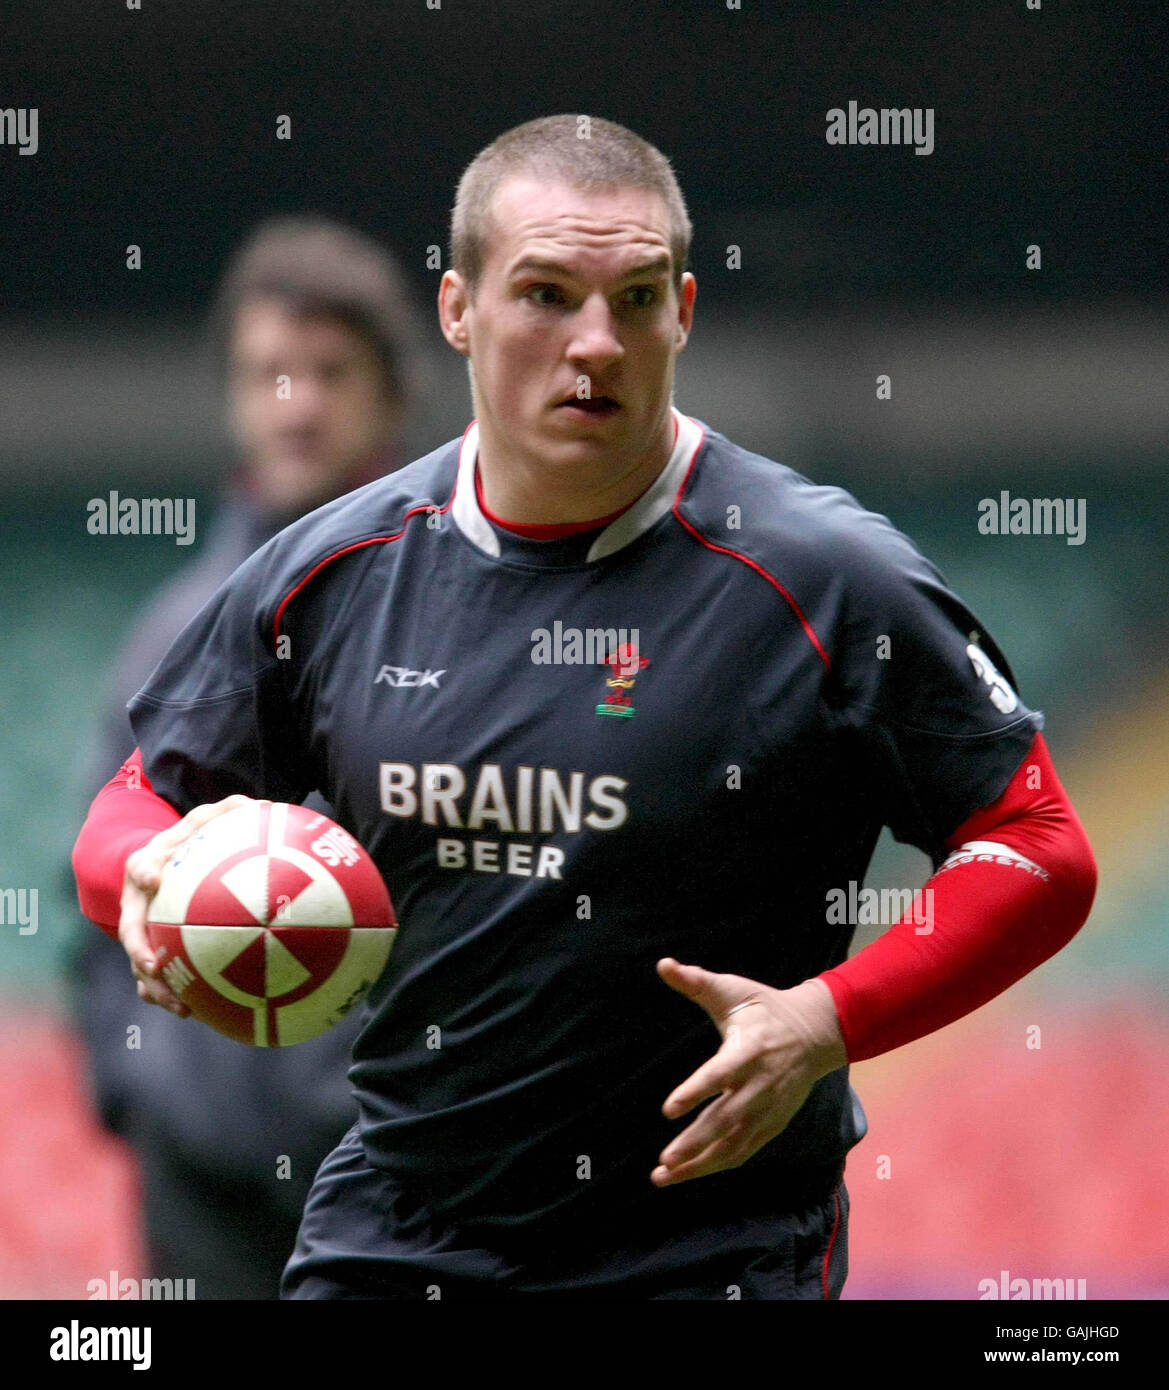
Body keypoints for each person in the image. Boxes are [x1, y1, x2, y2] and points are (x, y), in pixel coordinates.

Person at [73, 115, 1097, 1300]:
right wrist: (146, 884)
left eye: (637, 297)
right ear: (457, 311)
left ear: (685, 313)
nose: (595, 343)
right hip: (398, 1230)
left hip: (707, 1242)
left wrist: (828, 1015)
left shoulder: (823, 578)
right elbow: (138, 804)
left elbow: (1038, 847)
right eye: (546, 294)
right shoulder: (329, 571)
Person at [67, 215, 416, 1298]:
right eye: (270, 372)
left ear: (387, 394)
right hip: (204, 1187)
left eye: (328, 371)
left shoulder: (457, 620)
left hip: (405, 1174)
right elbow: (91, 907)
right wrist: (144, 1097)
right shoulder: (170, 634)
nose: (298, 403)